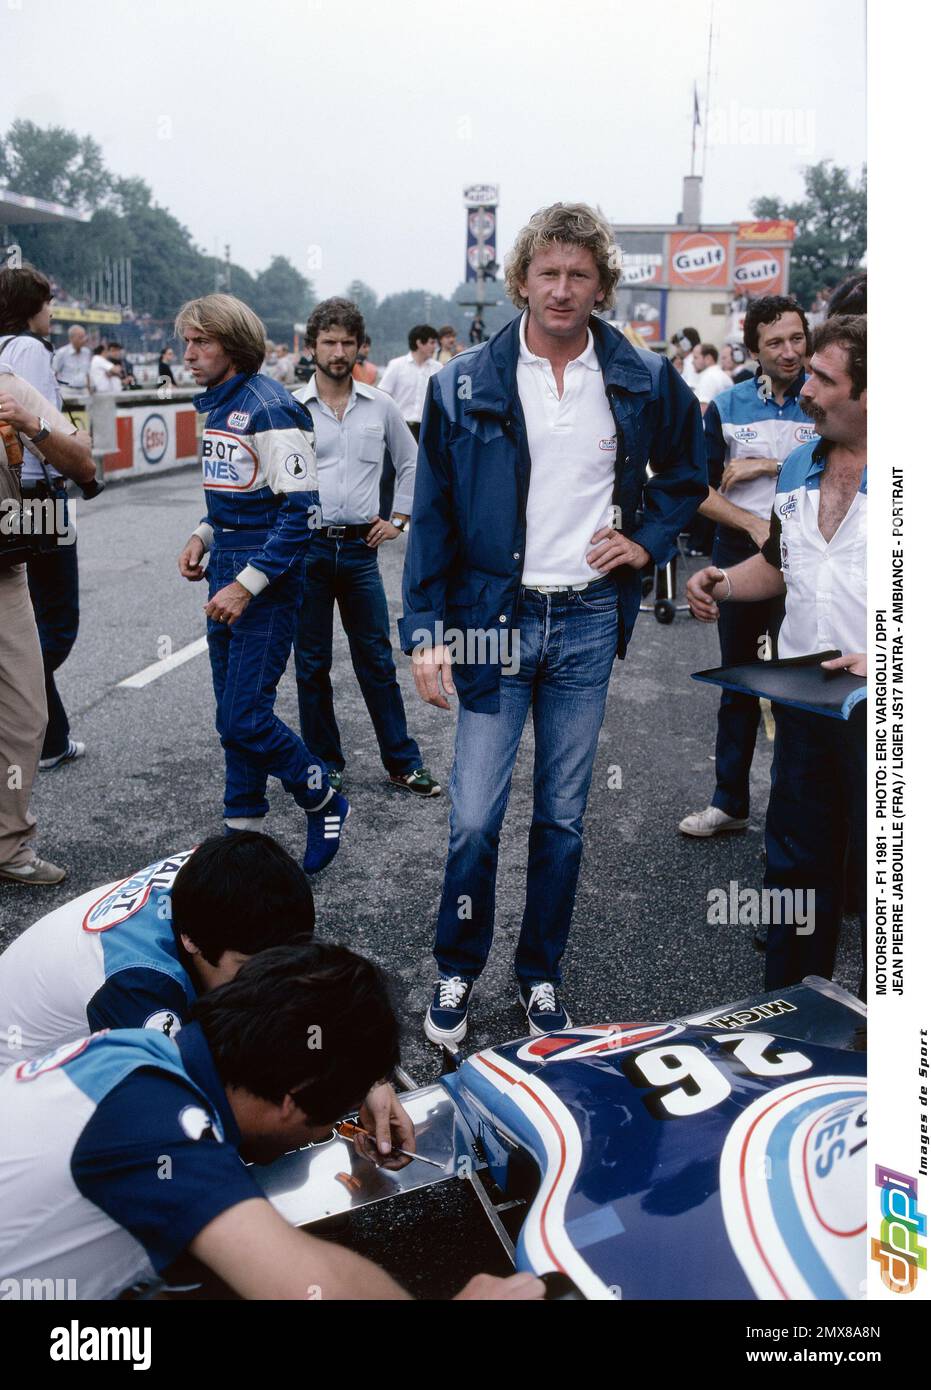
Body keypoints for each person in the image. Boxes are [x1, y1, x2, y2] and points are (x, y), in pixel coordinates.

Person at [401, 202, 706, 1043]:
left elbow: (690, 468)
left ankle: (540, 974)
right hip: (491, 623)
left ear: (601, 284)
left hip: (582, 623)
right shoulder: (461, 381)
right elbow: (433, 518)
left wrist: (645, 543)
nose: (563, 289)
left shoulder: (641, 374)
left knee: (562, 819)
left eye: (579, 275)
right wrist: (424, 629)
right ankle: (457, 969)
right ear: (522, 281)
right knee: (471, 817)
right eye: (548, 273)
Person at [0, 941, 543, 1300]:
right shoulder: (157, 1130)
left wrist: (367, 1083)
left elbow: (307, 1000)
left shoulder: (140, 1052)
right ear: (291, 1100)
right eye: (329, 1121)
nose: (332, 1131)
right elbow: (308, 1286)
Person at [686, 315, 867, 993]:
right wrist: (725, 582)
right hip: (804, 705)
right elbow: (780, 566)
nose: (806, 390)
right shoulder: (798, 465)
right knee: (794, 871)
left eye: (823, 378)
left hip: (887, 714)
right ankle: (789, 1013)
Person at [174, 294, 350, 872]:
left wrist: (246, 584)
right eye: (187, 342)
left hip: (267, 579)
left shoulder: (272, 408)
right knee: (234, 712)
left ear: (235, 344)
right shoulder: (219, 405)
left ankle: (322, 795)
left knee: (243, 716)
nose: (189, 354)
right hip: (228, 563)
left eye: (202, 341)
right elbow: (240, 495)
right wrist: (203, 533)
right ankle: (240, 833)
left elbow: (301, 513)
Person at [292, 299, 440, 797]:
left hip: (360, 552)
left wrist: (398, 519)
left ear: (361, 347)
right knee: (312, 665)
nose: (337, 352)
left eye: (346, 343)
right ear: (312, 346)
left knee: (375, 660)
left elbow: (414, 464)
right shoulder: (290, 407)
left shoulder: (382, 405)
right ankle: (324, 764)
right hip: (307, 550)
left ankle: (401, 761)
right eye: (328, 342)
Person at [679, 295, 814, 839]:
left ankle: (798, 811)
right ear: (754, 348)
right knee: (739, 680)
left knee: (805, 687)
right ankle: (729, 801)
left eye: (798, 338)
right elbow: (697, 489)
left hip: (810, 561)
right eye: (775, 342)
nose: (789, 352)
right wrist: (755, 527)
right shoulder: (727, 404)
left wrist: (768, 464)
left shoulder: (825, 395)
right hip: (741, 556)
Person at [0, 831, 315, 1062]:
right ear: (190, 939)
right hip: (16, 1079)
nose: (273, 981)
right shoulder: (142, 988)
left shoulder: (219, 874)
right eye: (251, 968)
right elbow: (180, 1106)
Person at [0, 364, 95, 884]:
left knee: (25, 714)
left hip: (6, 568)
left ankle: (8, 848)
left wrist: (32, 425)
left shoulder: (6, 381)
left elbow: (83, 460)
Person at [0, 266, 90, 773]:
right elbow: (48, 429)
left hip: (6, 495)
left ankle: (51, 737)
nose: (52, 312)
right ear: (30, 306)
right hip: (39, 494)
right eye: (48, 301)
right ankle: (18, 697)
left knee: (23, 614)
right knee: (57, 622)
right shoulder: (30, 349)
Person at [378, 324, 441, 442]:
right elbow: (382, 395)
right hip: (399, 427)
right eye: (432, 343)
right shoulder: (396, 365)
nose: (435, 347)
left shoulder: (438, 369)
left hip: (427, 430)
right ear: (419, 343)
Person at [51, 324, 92, 393]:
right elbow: (54, 373)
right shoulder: (62, 353)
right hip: (67, 391)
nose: (84, 340)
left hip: (83, 391)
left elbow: (87, 373)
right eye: (80, 337)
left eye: (84, 337)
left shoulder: (87, 353)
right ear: (71, 338)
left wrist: (89, 389)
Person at [692, 343, 733, 407]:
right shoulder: (721, 375)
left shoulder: (709, 377)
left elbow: (703, 409)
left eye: (696, 357)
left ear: (708, 358)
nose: (692, 362)